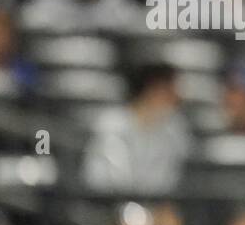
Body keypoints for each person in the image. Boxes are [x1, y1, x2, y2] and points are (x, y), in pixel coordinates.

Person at [82, 63, 192, 195]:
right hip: (108, 205)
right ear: (153, 89)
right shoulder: (112, 123)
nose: (177, 98)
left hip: (156, 206)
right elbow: (102, 179)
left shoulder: (175, 129)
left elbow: (174, 179)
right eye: (170, 91)